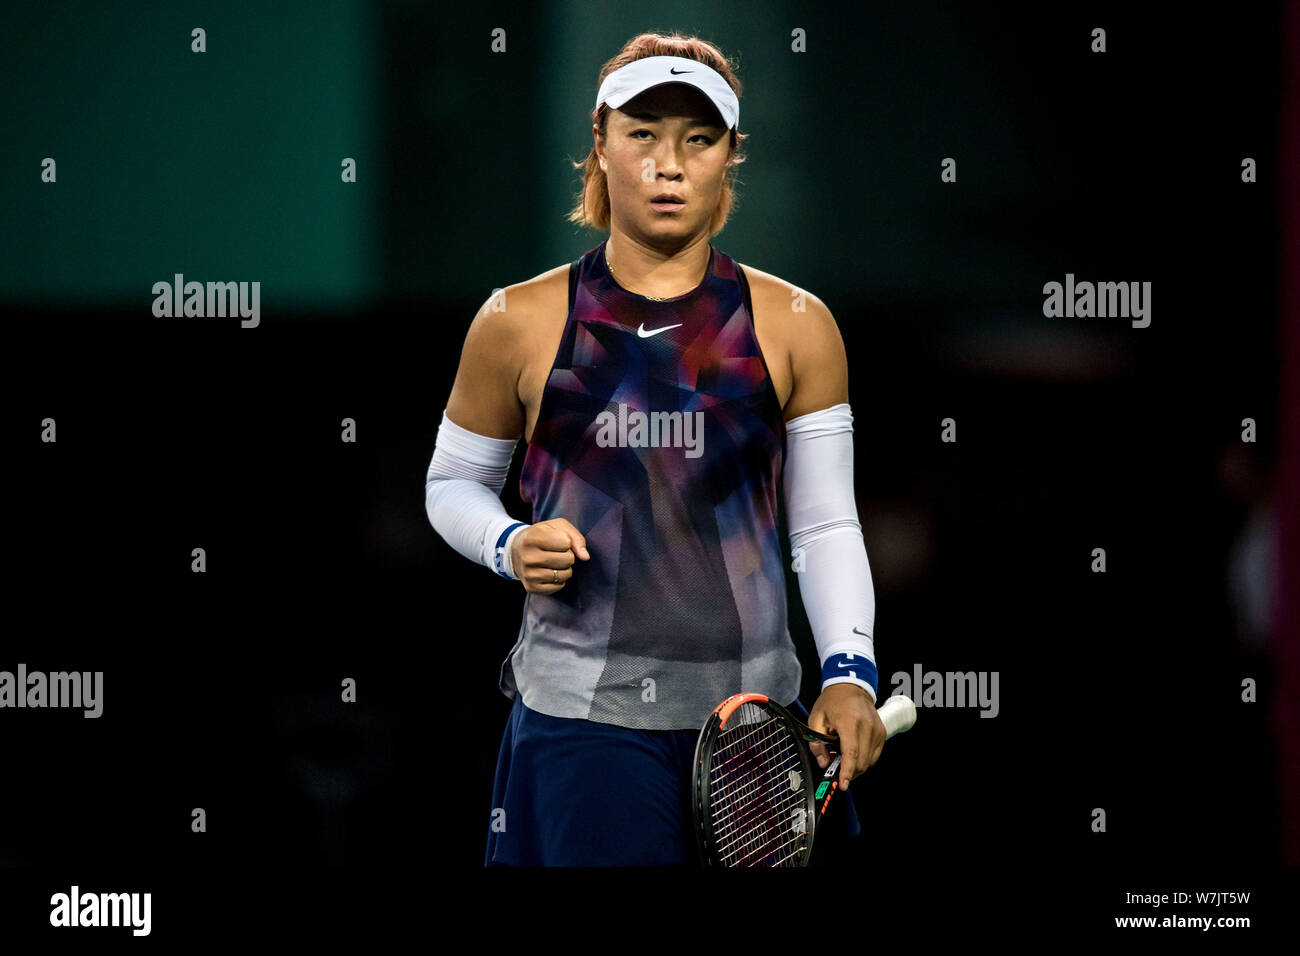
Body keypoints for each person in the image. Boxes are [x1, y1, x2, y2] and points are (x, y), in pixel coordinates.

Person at [425, 32, 886, 866]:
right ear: (598, 143)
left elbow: (824, 527)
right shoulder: (515, 323)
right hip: (583, 730)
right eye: (643, 134)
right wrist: (508, 544)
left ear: (729, 157)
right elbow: (452, 483)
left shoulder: (799, 326)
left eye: (698, 139)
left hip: (757, 733)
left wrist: (850, 672)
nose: (669, 164)